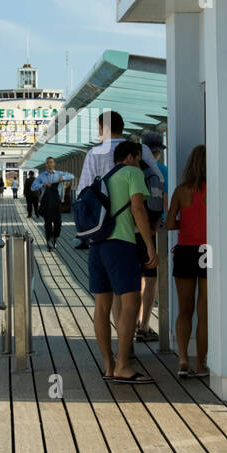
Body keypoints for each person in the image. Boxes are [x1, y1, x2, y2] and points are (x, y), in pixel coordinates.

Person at [89, 140, 156, 384]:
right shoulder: (132, 172)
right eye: (138, 158)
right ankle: (123, 365)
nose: (140, 163)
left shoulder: (104, 177)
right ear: (130, 156)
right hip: (120, 244)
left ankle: (108, 365)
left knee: (101, 306)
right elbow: (138, 208)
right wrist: (149, 244)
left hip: (97, 246)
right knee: (130, 302)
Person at [74, 110, 164, 250]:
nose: (98, 133)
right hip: (139, 224)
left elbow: (83, 190)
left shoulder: (95, 153)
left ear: (106, 129)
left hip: (106, 227)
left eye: (99, 128)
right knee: (142, 268)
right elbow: (158, 180)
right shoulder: (141, 149)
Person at [164, 144, 208, 378]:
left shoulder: (181, 191)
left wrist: (187, 225)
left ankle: (182, 359)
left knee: (184, 309)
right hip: (208, 250)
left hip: (185, 251)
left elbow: (170, 224)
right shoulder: (217, 189)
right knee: (204, 310)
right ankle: (201, 363)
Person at [135, 131, 167, 342]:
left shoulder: (134, 170)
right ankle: (145, 325)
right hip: (155, 229)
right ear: (157, 152)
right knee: (151, 279)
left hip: (133, 229)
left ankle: (134, 321)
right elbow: (163, 202)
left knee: (137, 280)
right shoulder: (161, 171)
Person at [31, 157, 74, 251]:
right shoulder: (41, 176)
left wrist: (63, 178)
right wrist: (43, 185)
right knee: (48, 224)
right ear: (46, 164)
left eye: (51, 162)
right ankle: (49, 241)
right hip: (46, 203)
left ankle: (54, 236)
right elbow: (33, 187)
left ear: (54, 164)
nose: (49, 164)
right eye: (47, 163)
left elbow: (71, 176)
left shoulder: (59, 174)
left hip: (56, 203)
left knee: (58, 223)